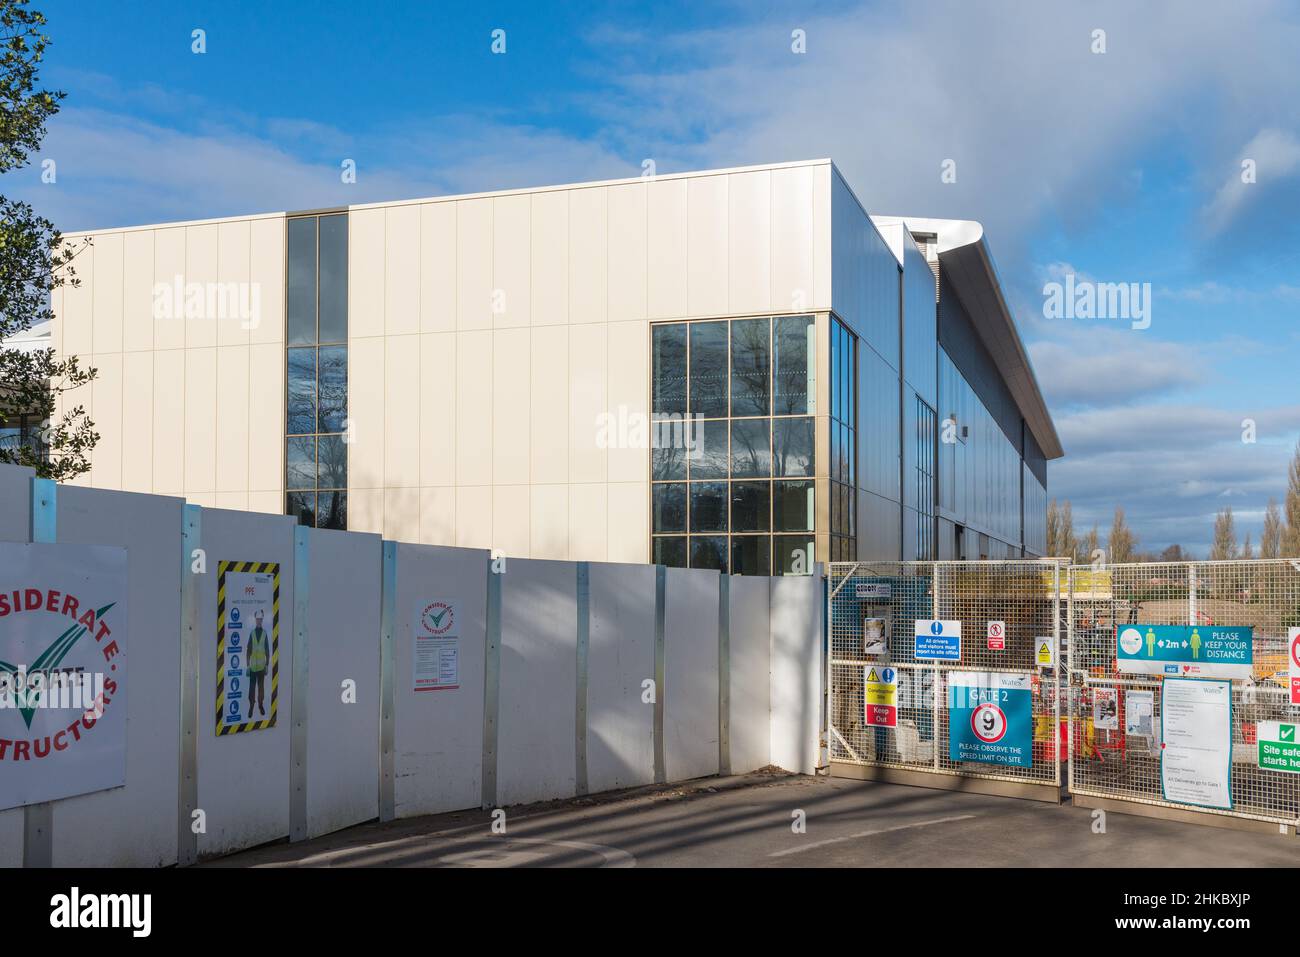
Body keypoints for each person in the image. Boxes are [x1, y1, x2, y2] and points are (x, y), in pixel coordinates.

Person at [247, 608, 270, 717]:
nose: (259, 621)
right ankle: (251, 706)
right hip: (252, 667)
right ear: (255, 620)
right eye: (257, 619)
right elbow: (248, 650)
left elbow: (267, 650)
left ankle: (260, 705)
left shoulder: (265, 634)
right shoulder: (251, 634)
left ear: (262, 620)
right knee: (251, 688)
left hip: (261, 667)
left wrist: (267, 665)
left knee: (261, 688)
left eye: (260, 619)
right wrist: (247, 665)